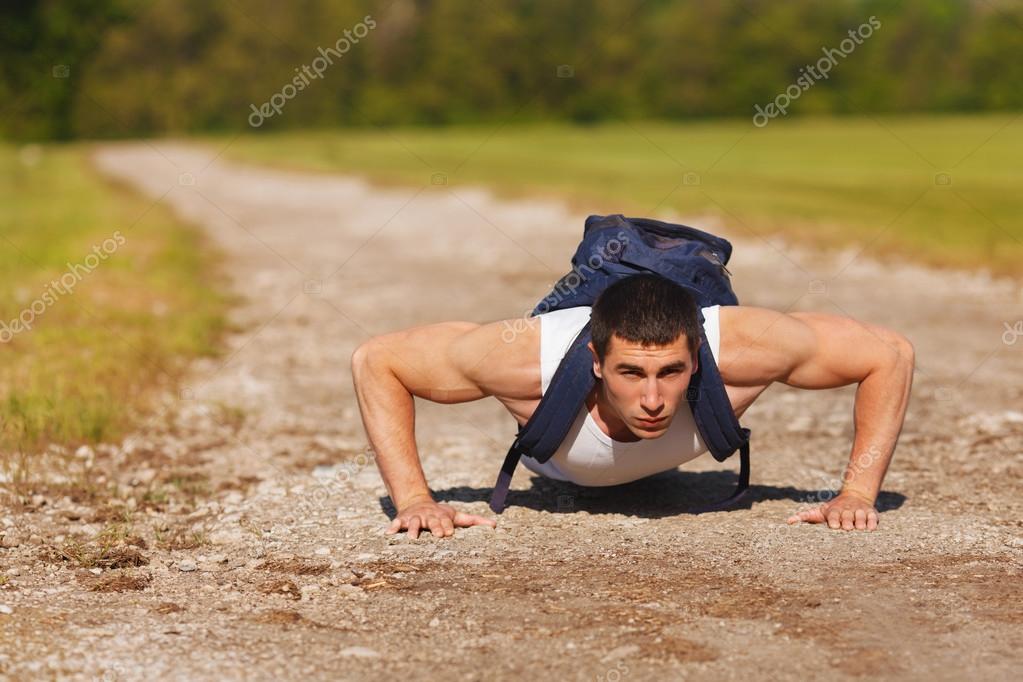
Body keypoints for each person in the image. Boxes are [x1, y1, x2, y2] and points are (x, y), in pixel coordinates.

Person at [351, 274, 914, 539]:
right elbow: (378, 360)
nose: (652, 399)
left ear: (696, 358)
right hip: (558, 460)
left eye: (671, 372)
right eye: (630, 373)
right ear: (596, 362)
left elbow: (890, 354)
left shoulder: (747, 348)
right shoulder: (526, 362)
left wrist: (858, 492)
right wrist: (416, 500)